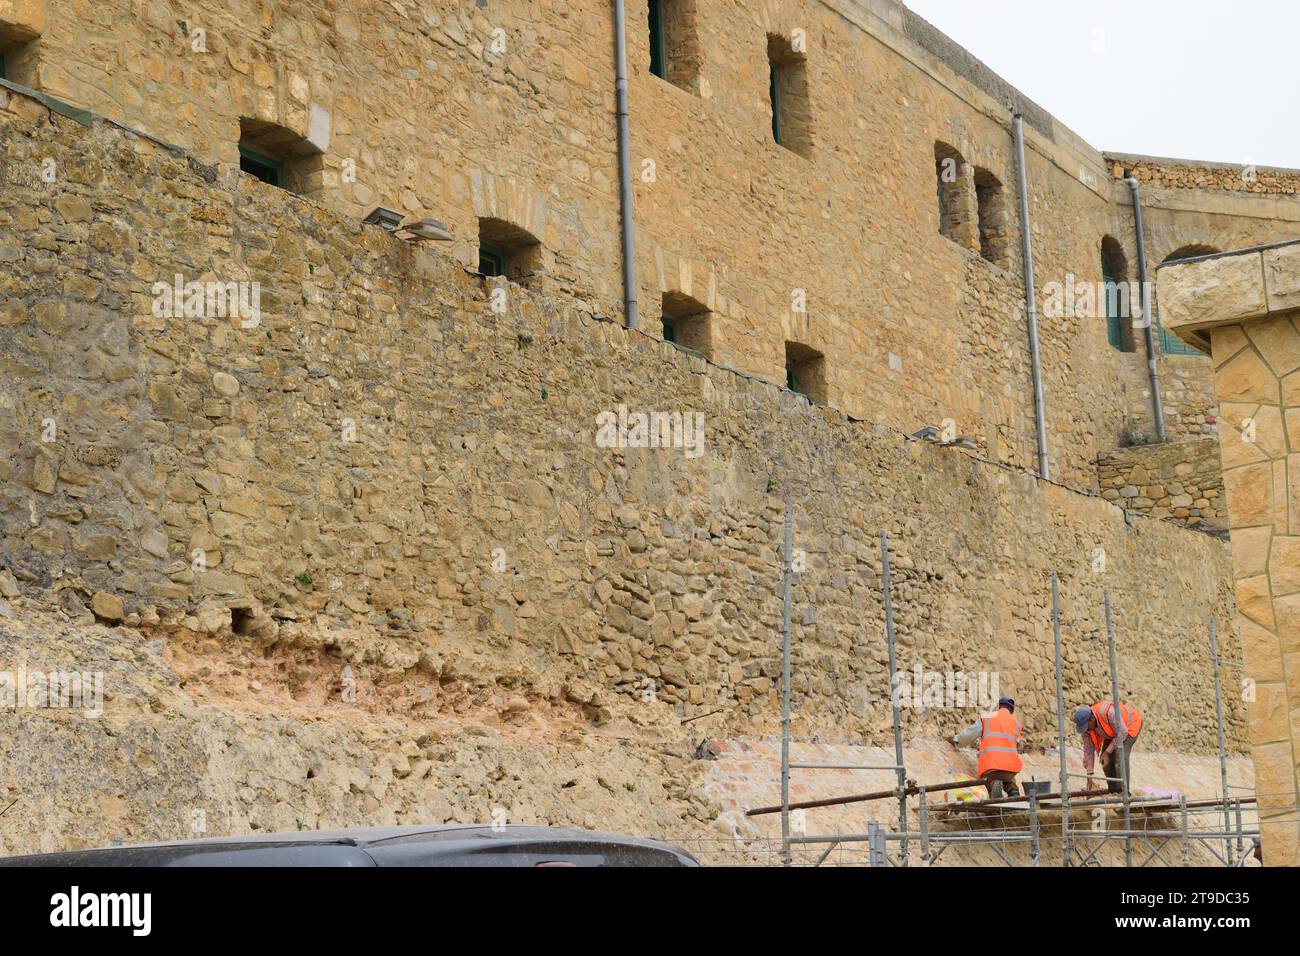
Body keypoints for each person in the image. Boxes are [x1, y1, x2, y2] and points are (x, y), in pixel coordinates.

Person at [952, 697, 1023, 799]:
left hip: (991, 767)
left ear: (998, 707)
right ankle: (1013, 790)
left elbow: (969, 735)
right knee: (1007, 777)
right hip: (1011, 769)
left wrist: (957, 740)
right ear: (1011, 710)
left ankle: (993, 784)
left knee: (991, 778)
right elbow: (1016, 744)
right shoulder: (1016, 723)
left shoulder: (987, 718)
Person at [1075, 701, 1142, 794]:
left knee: (1119, 756)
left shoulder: (1108, 712)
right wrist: (1089, 776)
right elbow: (1088, 750)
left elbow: (1123, 733)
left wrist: (1107, 752)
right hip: (1113, 732)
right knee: (1105, 760)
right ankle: (1113, 791)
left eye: (1086, 727)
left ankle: (1124, 793)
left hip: (1130, 726)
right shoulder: (1086, 729)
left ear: (1092, 719)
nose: (1086, 730)